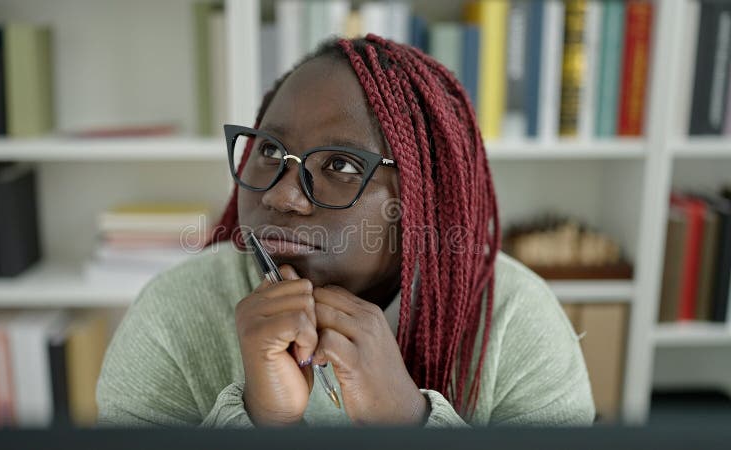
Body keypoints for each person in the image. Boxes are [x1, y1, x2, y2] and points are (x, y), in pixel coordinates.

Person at [96, 35, 595, 428]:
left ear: (423, 199)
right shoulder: (172, 314)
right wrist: (260, 421)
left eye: (339, 163)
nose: (281, 195)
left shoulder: (516, 323)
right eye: (269, 151)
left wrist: (407, 422)